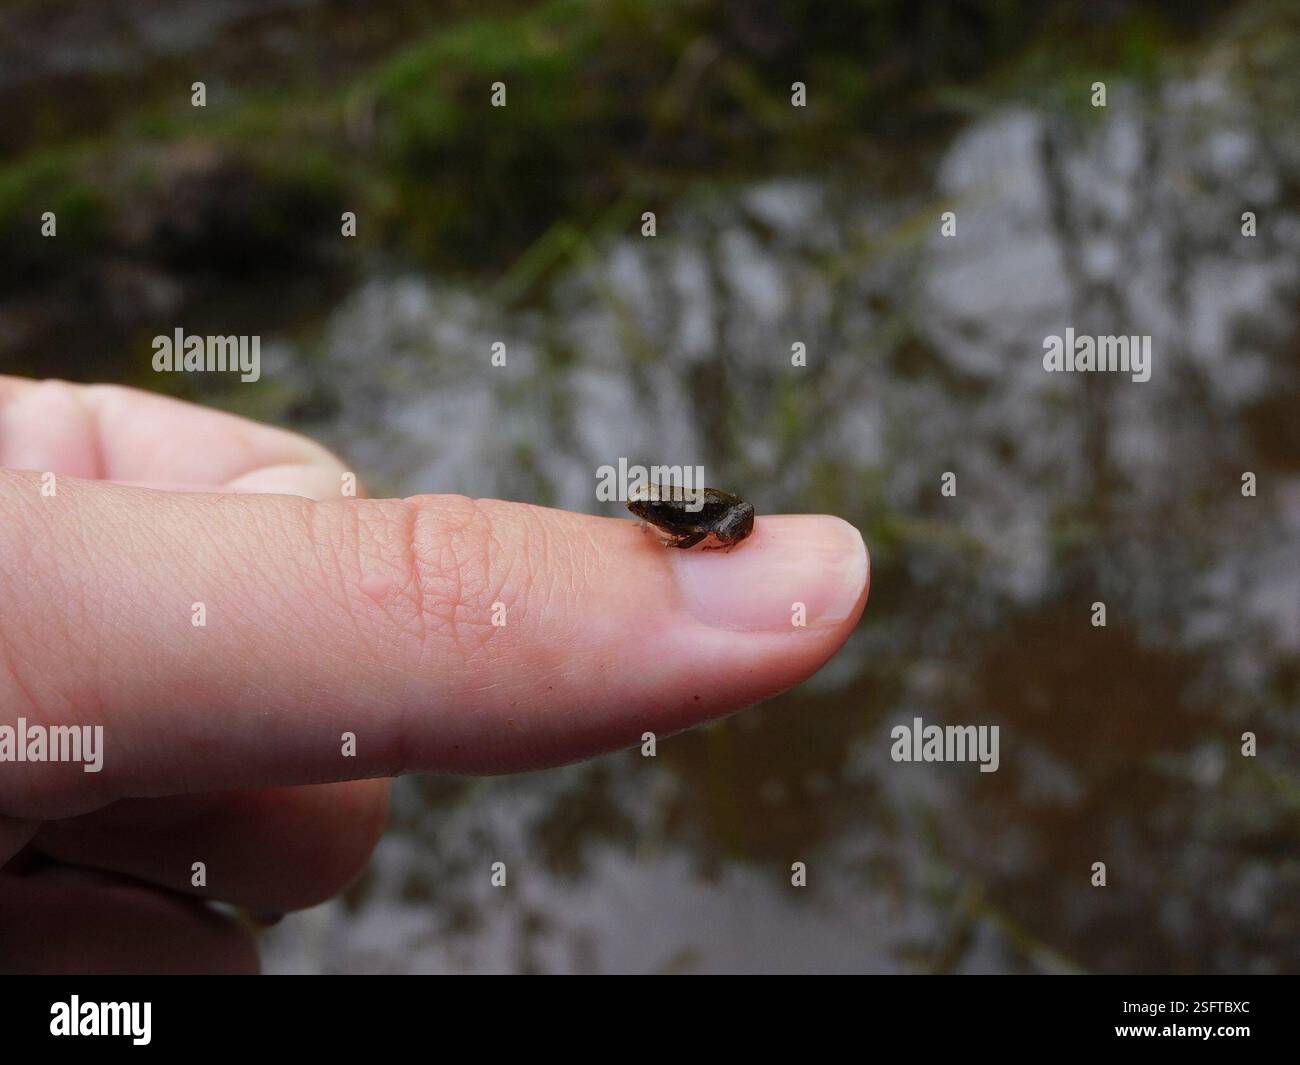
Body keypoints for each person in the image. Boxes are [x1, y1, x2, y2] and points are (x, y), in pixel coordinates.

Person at [0, 376, 869, 972]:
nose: (637, 512)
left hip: (718, 516)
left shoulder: (689, 517)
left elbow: (701, 521)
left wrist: (706, 540)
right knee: (301, 841)